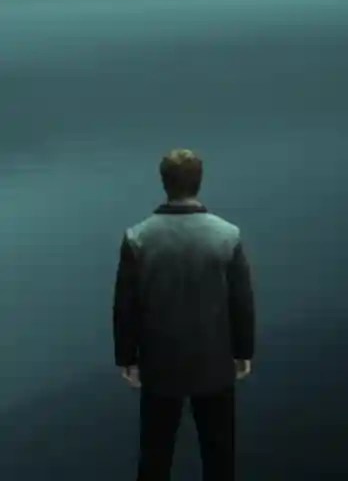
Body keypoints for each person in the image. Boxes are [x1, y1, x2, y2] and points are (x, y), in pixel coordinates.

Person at [113, 148, 256, 481]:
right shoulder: (227, 235)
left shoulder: (138, 238)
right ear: (199, 181)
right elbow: (241, 301)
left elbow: (126, 306)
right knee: (219, 453)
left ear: (164, 183)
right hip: (215, 359)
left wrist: (127, 357)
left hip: (159, 363)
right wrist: (243, 351)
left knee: (156, 452)